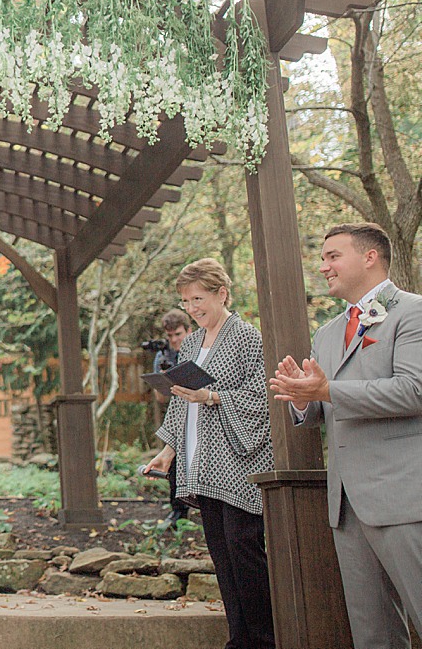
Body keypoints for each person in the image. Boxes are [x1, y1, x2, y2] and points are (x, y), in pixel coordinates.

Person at [270, 223, 422, 649]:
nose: (324, 267)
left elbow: (415, 390)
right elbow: (324, 407)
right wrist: (303, 397)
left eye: (333, 256)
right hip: (347, 506)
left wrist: (328, 390)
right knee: (372, 634)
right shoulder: (328, 332)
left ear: (370, 257)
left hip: (404, 498)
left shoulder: (413, 312)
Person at [146, 259, 275, 649]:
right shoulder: (189, 342)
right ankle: (239, 640)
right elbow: (180, 402)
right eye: (186, 301)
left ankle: (266, 639)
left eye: (198, 298)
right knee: (222, 557)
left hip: (238, 464)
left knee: (244, 554)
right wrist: (168, 451)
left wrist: (213, 396)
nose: (192, 308)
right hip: (200, 463)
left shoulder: (248, 337)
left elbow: (263, 398)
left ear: (222, 293)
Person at [151, 309, 192, 526]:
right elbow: (160, 397)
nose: (174, 340)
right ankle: (178, 512)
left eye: (178, 334)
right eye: (170, 336)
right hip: (176, 415)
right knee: (173, 464)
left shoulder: (198, 348)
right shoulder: (163, 355)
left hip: (200, 411)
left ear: (188, 331)